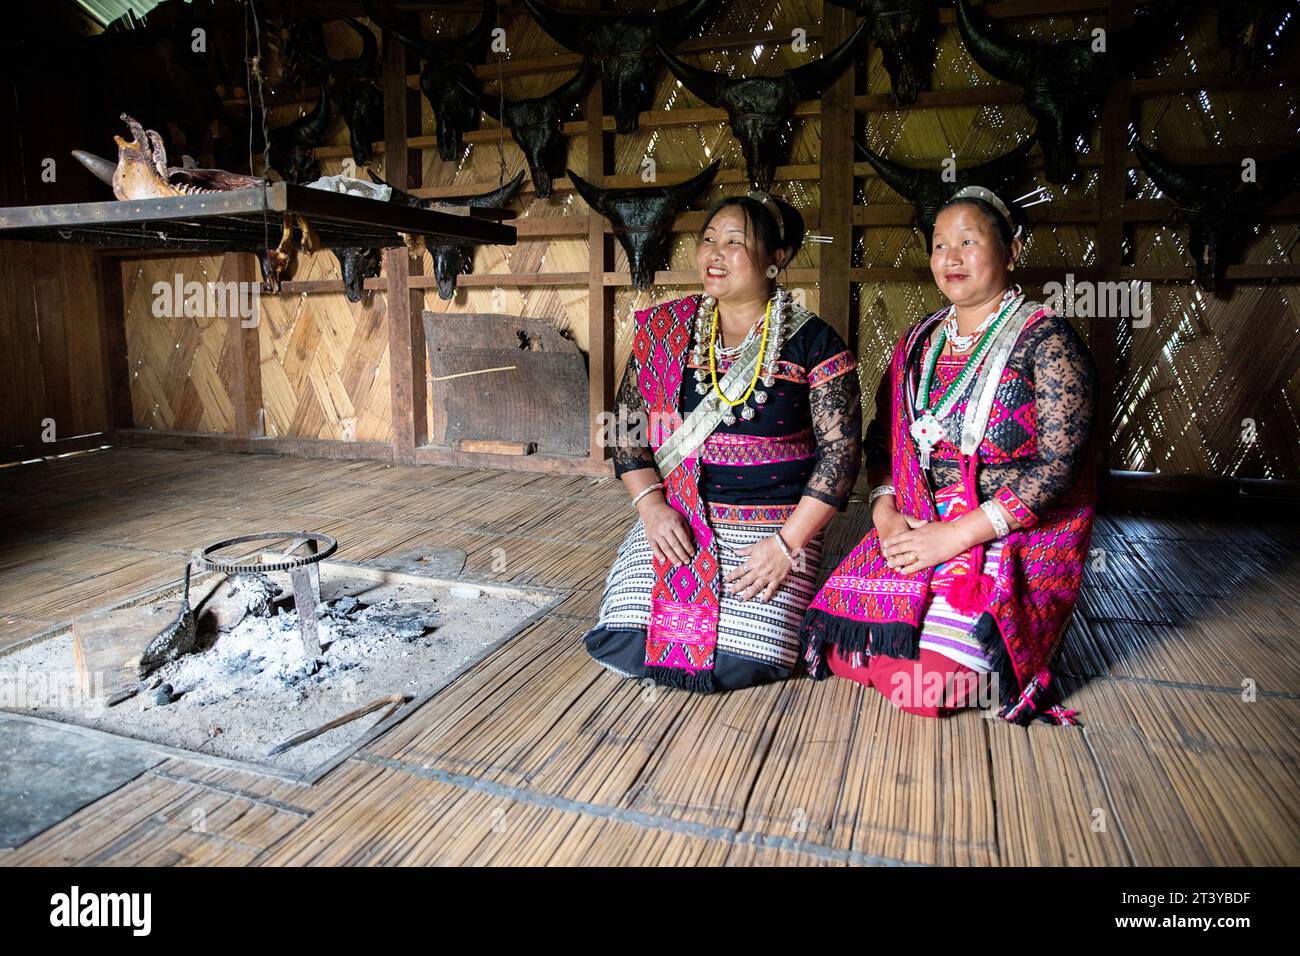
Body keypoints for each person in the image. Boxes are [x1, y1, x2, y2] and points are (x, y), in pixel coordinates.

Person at [798, 185, 1097, 725]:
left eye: (968, 241)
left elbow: (1059, 467)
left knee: (921, 688)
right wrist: (886, 514)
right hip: (917, 522)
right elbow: (882, 442)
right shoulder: (919, 342)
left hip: (1005, 538)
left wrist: (955, 537)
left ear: (1012, 251)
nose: (950, 258)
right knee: (835, 649)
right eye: (939, 244)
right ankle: (916, 638)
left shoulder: (1046, 340)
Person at [583, 190, 863, 693]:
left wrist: (786, 546)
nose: (715, 253)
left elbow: (839, 459)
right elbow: (626, 431)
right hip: (679, 518)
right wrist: (652, 508)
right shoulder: (664, 332)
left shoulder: (816, 342)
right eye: (709, 239)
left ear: (776, 259)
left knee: (745, 660)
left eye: (735, 242)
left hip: (774, 529)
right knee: (623, 641)